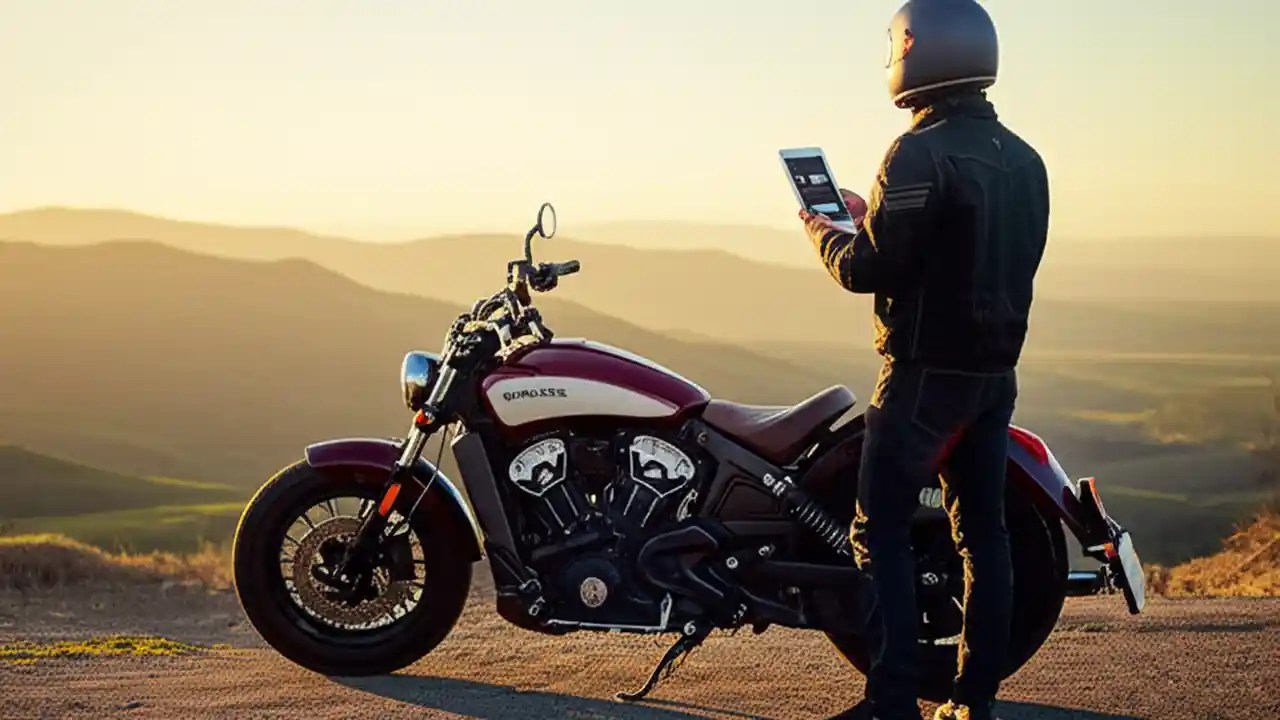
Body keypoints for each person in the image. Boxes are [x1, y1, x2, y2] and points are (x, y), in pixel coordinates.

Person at [798, 2, 1049, 719]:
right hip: (994, 378)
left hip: (921, 379)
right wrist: (867, 214)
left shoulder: (918, 152)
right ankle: (973, 704)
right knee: (984, 539)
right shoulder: (1026, 160)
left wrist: (823, 227)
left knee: (879, 531)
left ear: (911, 51)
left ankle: (891, 703)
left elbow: (868, 268)